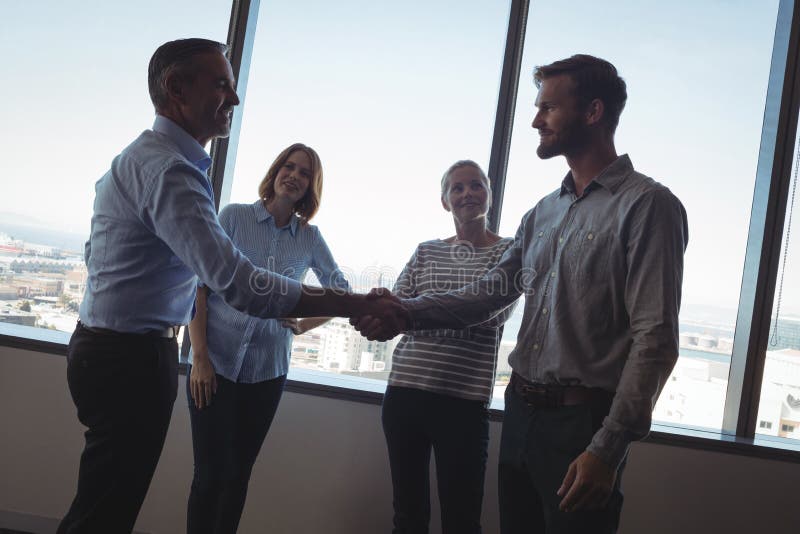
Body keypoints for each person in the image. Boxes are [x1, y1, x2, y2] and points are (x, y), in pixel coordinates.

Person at [59, 38, 402, 534]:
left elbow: (98, 256)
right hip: (130, 359)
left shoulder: (140, 158)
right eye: (221, 84)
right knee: (106, 511)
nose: (234, 99)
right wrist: (354, 304)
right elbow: (238, 285)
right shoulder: (172, 172)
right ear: (177, 88)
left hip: (121, 351)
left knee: (110, 502)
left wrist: (312, 319)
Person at [354, 54, 688, 534]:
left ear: (592, 112)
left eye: (548, 108)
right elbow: (487, 293)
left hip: (582, 425)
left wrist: (607, 448)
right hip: (521, 414)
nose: (536, 120)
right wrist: (402, 311)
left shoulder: (648, 205)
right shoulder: (542, 213)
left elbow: (655, 339)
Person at [186, 143, 347, 533]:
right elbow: (198, 287)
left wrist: (305, 324)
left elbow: (339, 290)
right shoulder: (235, 218)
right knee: (208, 475)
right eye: (288, 167)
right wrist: (201, 358)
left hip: (266, 376)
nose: (294, 176)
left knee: (237, 477)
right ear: (275, 172)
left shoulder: (309, 238)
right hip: (216, 366)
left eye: (304, 173)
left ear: (311, 186)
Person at [383, 160, 514, 534]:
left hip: (463, 404)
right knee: (407, 517)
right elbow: (394, 310)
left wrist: (414, 310)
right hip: (405, 395)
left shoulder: (508, 254)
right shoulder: (426, 251)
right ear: (445, 201)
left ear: (489, 194)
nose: (467, 193)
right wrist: (396, 312)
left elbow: (487, 314)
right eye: (456, 188)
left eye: (476, 185)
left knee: (462, 521)